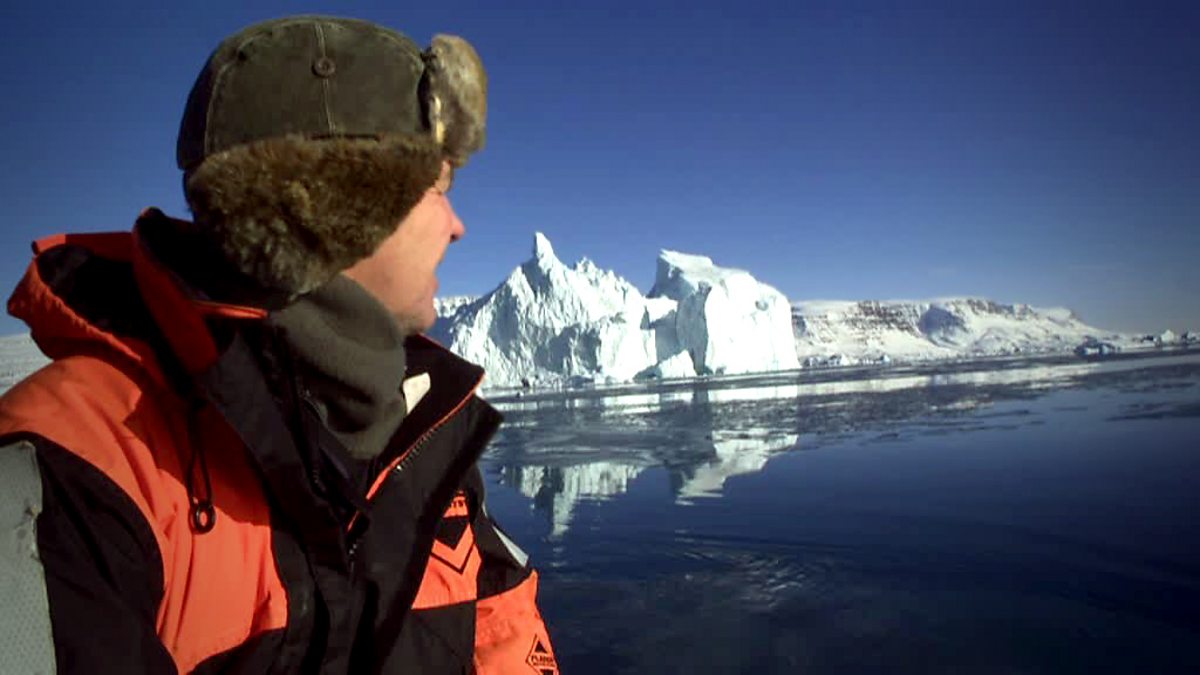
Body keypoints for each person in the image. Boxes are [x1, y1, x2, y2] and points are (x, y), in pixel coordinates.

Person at [0, 15, 558, 674]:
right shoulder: (80, 469)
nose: (459, 226)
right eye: (439, 189)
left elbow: (507, 641)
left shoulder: (422, 431)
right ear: (336, 207)